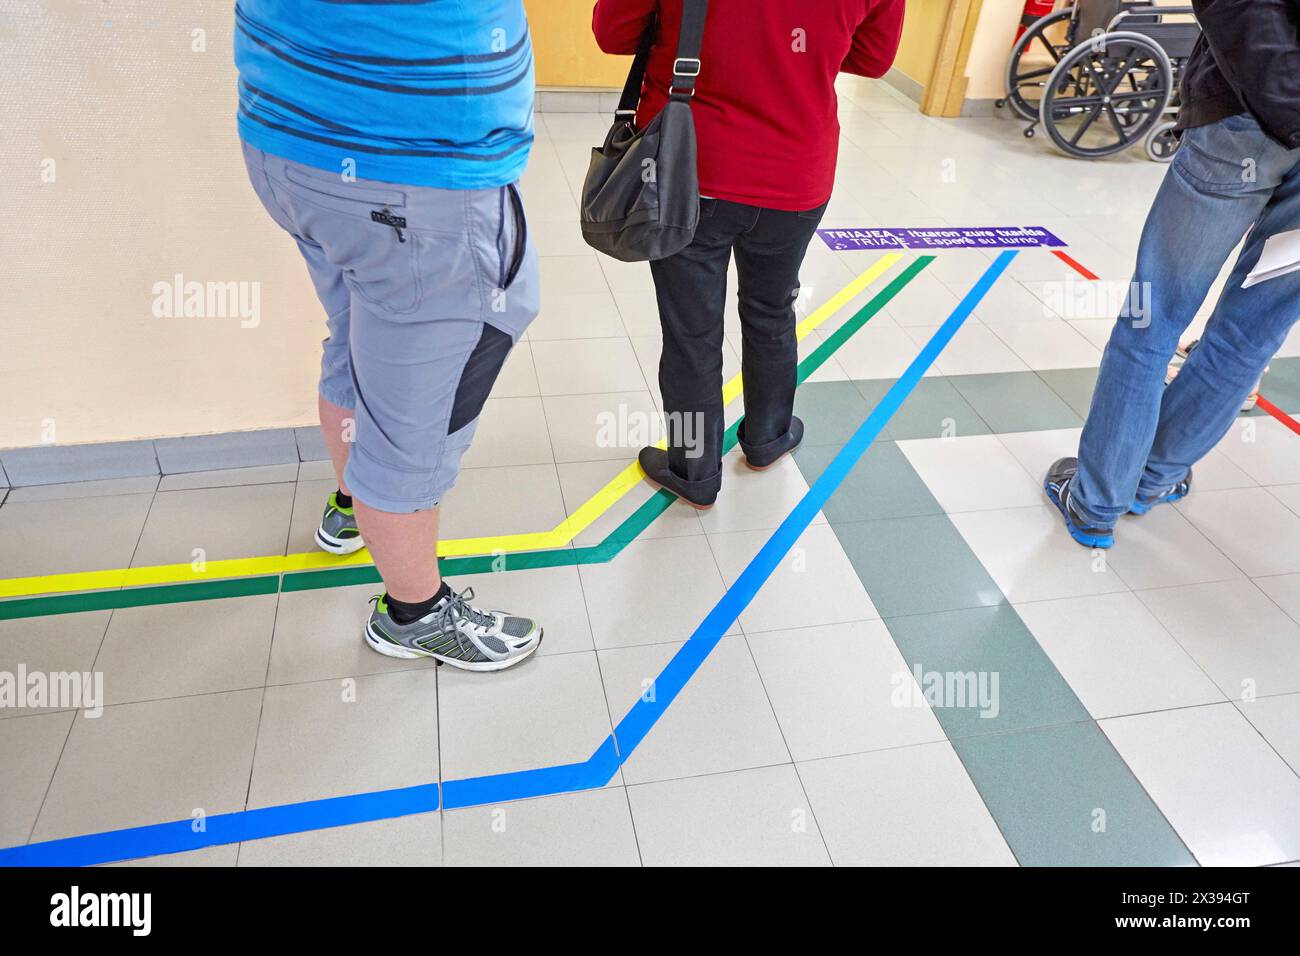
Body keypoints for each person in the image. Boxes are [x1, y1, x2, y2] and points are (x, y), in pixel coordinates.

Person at [234, 0, 544, 669]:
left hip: (290, 133)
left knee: (358, 330)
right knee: (427, 394)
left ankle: (353, 503)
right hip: (408, 167)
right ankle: (414, 612)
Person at [592, 0, 907, 508]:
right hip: (797, 173)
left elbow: (614, 32)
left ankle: (693, 468)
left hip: (689, 172)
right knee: (772, 307)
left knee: (691, 331)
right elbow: (872, 59)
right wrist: (795, 55)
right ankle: (767, 436)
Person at [1046, 0, 1300, 549]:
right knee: (1247, 338)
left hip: (1248, 118)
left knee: (1152, 320)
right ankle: (1152, 482)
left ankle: (1097, 503)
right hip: (1266, 112)